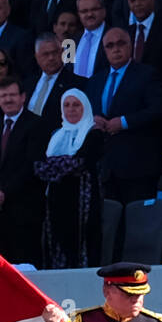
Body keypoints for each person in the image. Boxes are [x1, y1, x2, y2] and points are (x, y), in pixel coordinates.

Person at [87, 27, 162, 210]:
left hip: (138, 165)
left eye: (121, 43)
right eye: (110, 45)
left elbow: (157, 110)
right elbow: (87, 112)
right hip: (106, 167)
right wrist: (92, 120)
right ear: (104, 50)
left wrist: (124, 122)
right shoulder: (95, 81)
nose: (116, 49)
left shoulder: (147, 74)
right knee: (111, 221)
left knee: (139, 220)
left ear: (131, 46)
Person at [0, 76, 50, 266]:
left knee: (26, 266)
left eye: (12, 95)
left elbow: (31, 165)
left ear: (23, 97)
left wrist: (4, 192)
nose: (8, 99)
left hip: (25, 212)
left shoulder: (37, 125)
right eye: (3, 96)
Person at [36, 89, 103, 268]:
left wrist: (54, 165)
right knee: (57, 245)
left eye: (76, 105)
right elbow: (40, 166)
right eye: (66, 105)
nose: (71, 109)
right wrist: (63, 163)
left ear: (85, 107)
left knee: (82, 247)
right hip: (57, 200)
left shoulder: (93, 134)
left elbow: (80, 162)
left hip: (83, 202)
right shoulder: (56, 135)